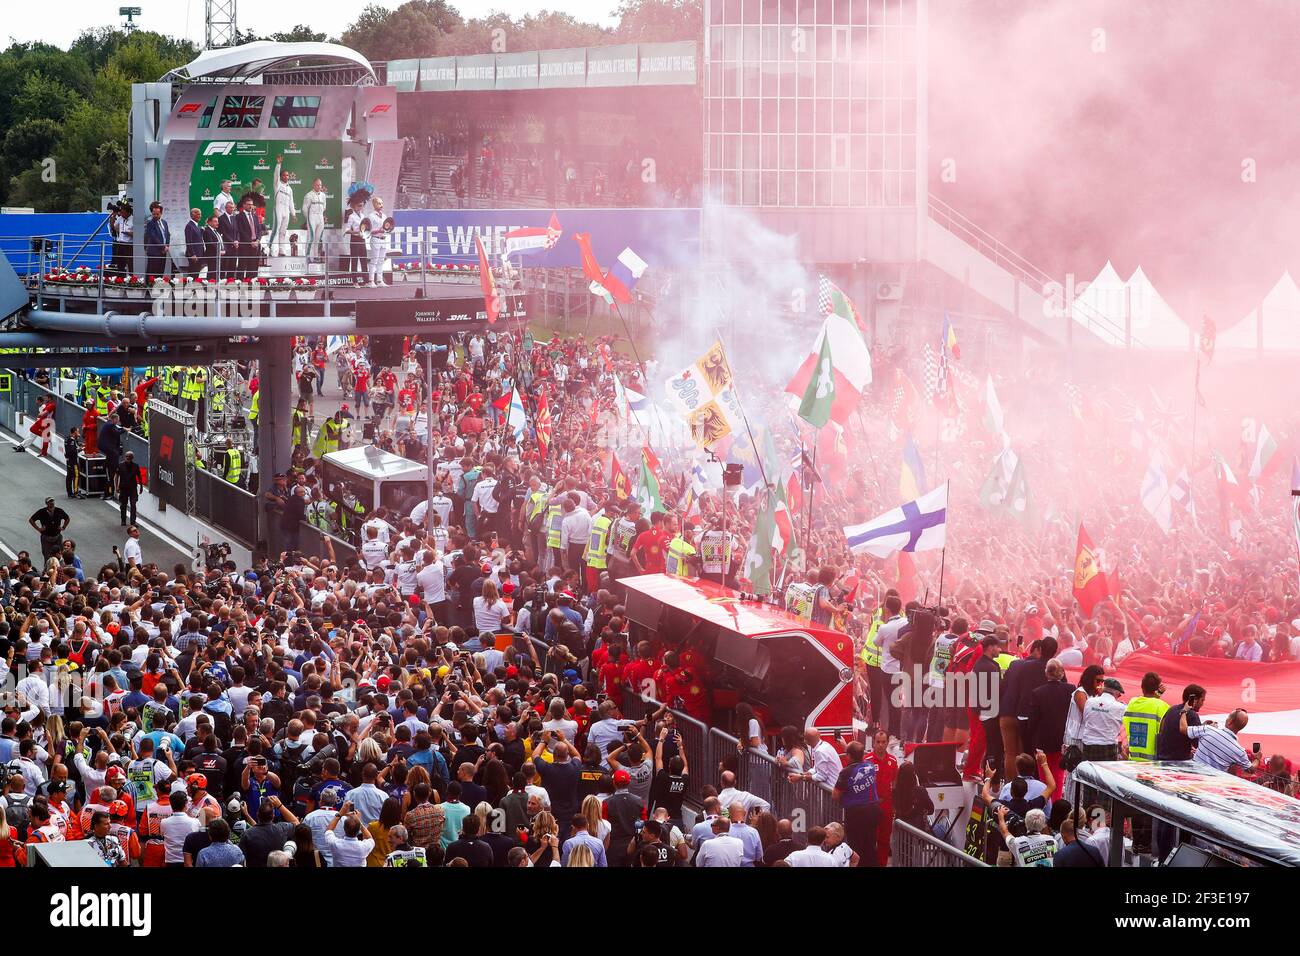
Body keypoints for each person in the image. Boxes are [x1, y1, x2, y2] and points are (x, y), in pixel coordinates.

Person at [833, 740, 881, 866]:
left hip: (856, 813)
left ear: (849, 755)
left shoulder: (846, 772)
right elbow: (858, 756)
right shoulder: (870, 766)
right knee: (870, 845)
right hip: (874, 811)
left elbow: (835, 795)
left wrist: (845, 799)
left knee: (855, 847)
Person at [1180, 707, 1260, 775]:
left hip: (1193, 776)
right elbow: (1251, 770)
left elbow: (1183, 729)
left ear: (1230, 722)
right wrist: (1257, 758)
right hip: (1213, 785)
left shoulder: (1207, 729)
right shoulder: (1239, 751)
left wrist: (1184, 711)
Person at [29, 497, 70, 562]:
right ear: (47, 503)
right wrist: (38, 529)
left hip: (57, 536)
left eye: (52, 501)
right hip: (46, 537)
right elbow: (31, 520)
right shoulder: (42, 512)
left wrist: (63, 527)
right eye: (50, 501)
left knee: (60, 555)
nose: (52, 502)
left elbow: (67, 518)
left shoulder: (59, 511)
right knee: (47, 556)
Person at [271, 156, 296, 257]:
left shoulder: (290, 189)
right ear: (281, 176)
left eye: (288, 175)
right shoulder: (277, 185)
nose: (287, 177)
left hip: (287, 211)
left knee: (283, 231)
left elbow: (291, 202)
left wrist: (293, 214)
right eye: (284, 175)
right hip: (278, 209)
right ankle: (271, 249)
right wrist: (278, 165)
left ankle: (282, 250)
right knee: (276, 229)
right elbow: (276, 175)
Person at [302, 178, 328, 261]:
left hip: (320, 217)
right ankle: (308, 256)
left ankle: (316, 256)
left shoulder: (323, 195)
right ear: (313, 185)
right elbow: (304, 209)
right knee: (311, 237)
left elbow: (324, 207)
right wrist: (308, 218)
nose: (319, 186)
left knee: (318, 238)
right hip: (312, 217)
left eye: (320, 185)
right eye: (317, 185)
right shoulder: (308, 195)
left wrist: (320, 214)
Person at [143, 201, 171, 278]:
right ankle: (150, 289)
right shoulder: (150, 223)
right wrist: (163, 247)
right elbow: (153, 237)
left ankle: (158, 288)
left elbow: (167, 235)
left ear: (161, 213)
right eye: (153, 214)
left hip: (163, 252)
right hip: (154, 252)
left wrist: (167, 246)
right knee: (152, 274)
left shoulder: (164, 222)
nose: (155, 215)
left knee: (160, 272)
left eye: (157, 214)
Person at [117, 451, 141, 527]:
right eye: (126, 457)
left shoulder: (135, 466)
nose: (127, 458)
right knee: (123, 505)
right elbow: (116, 476)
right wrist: (116, 486)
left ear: (132, 458)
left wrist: (141, 486)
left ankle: (133, 521)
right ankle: (123, 520)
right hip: (123, 488)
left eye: (129, 457)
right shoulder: (120, 465)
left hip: (133, 488)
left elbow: (139, 476)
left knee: (133, 504)